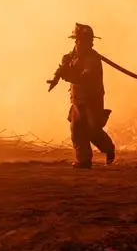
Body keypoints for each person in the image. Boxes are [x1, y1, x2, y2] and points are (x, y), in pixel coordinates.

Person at [48, 23, 116, 169]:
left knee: (93, 130)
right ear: (78, 40)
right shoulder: (69, 56)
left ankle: (109, 148)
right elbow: (61, 70)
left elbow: (86, 77)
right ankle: (83, 161)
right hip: (77, 99)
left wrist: (69, 77)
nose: (90, 43)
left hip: (92, 99)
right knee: (77, 130)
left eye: (91, 40)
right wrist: (55, 79)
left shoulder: (92, 58)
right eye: (87, 39)